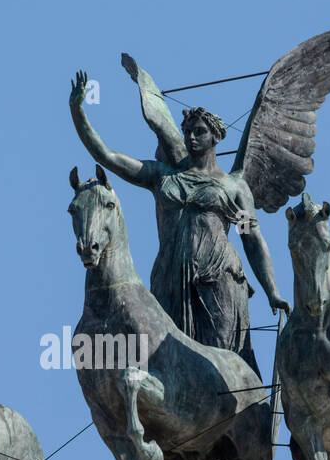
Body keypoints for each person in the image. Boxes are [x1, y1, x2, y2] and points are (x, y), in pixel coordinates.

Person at [70, 72, 290, 378]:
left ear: (216, 136)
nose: (191, 137)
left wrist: (273, 291)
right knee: (168, 363)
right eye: (187, 131)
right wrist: (78, 111)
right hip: (170, 277)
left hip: (218, 278)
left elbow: (250, 238)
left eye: (199, 131)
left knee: (224, 365)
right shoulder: (162, 176)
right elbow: (107, 156)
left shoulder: (232, 188)